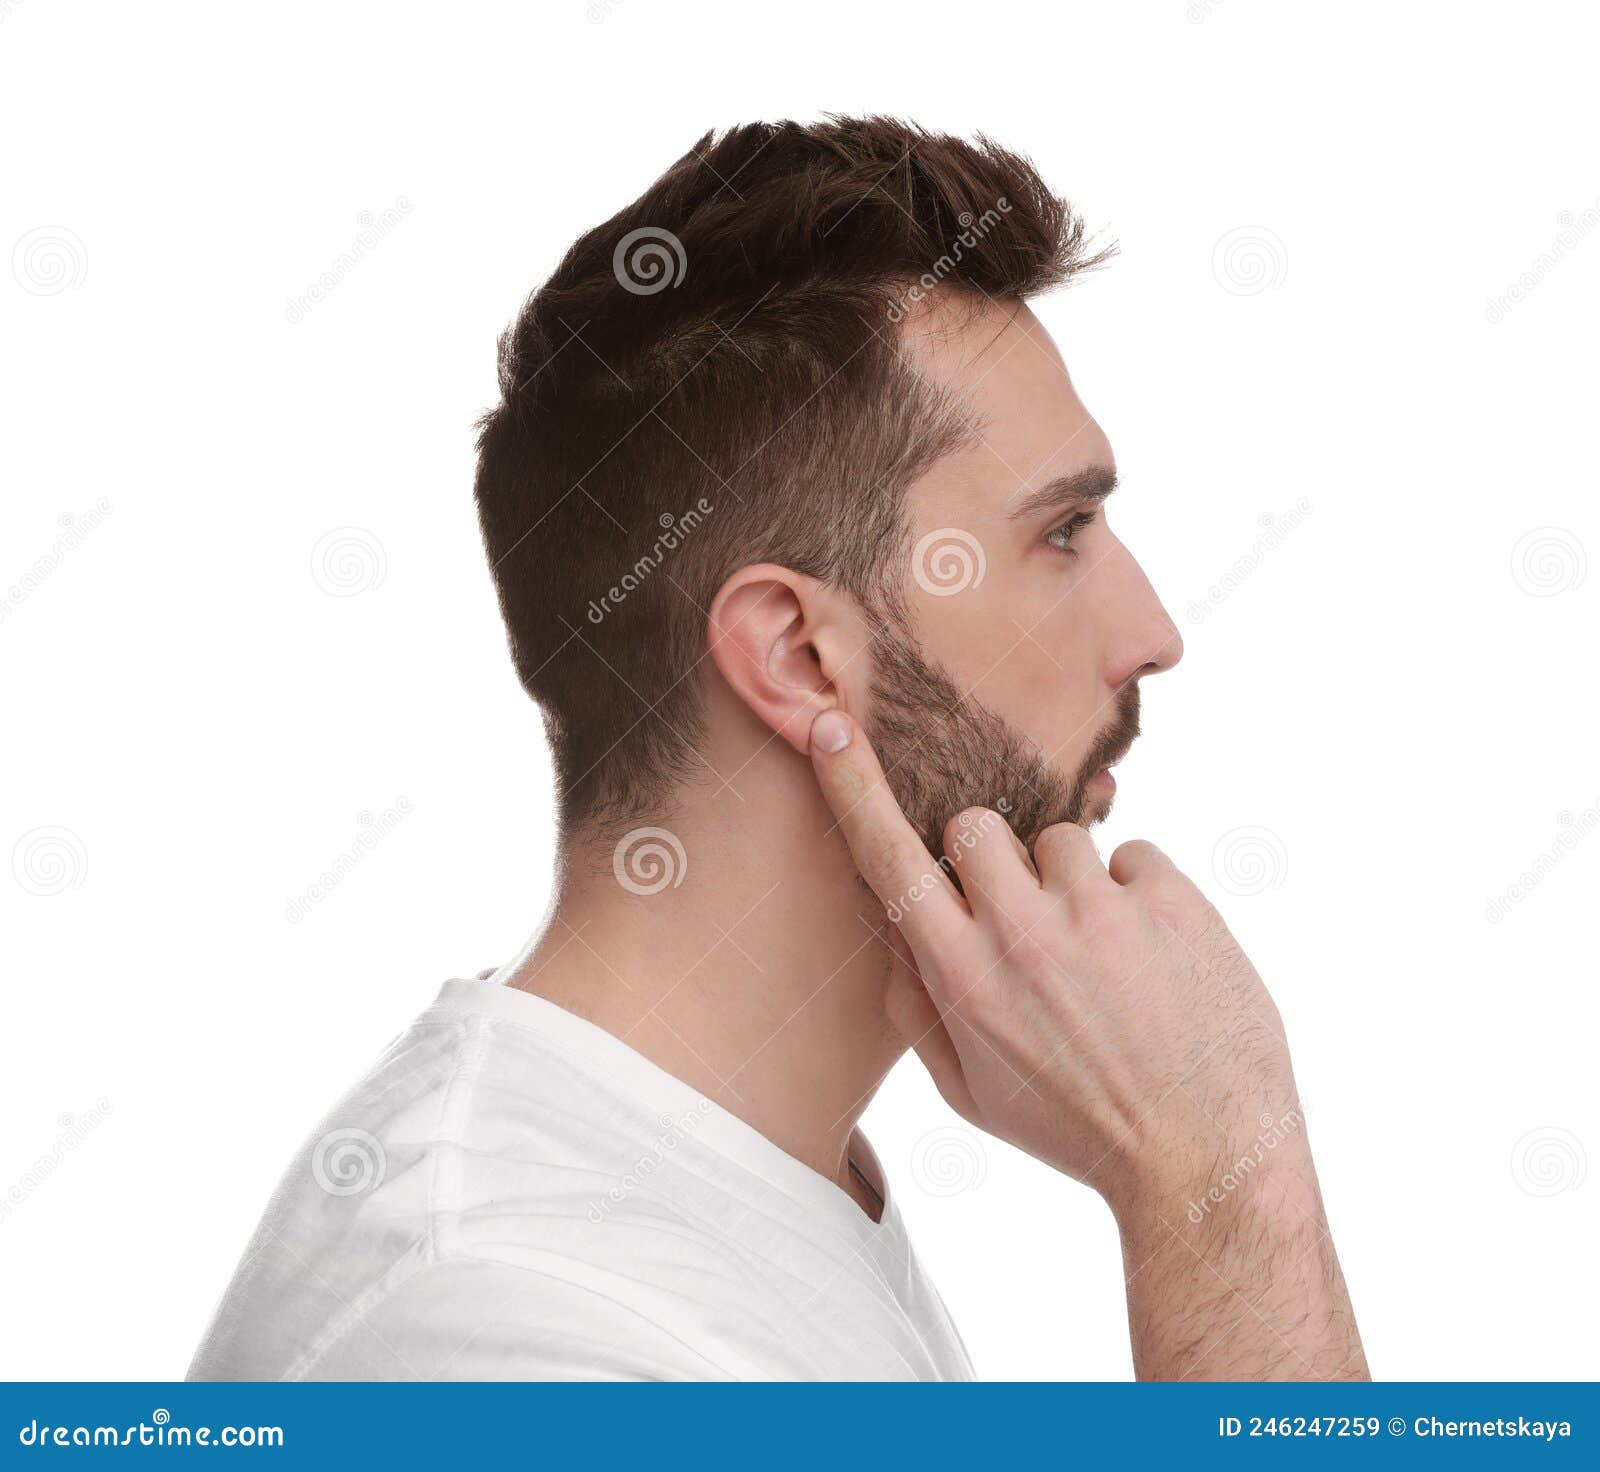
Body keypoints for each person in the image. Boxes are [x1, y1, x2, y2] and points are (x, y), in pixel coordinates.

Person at [189, 116, 1366, 1381]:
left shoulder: (743, 1186)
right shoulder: (514, 1320)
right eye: (1063, 532)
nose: (1153, 634)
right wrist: (1218, 1176)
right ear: (801, 655)